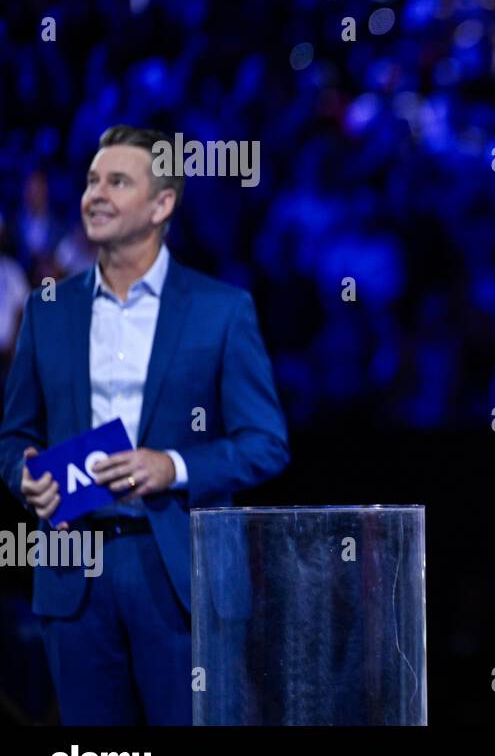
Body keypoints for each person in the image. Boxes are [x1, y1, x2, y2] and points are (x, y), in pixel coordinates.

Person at [0, 124, 290, 725]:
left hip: (177, 569)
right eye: (90, 181)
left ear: (162, 205)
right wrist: (22, 474)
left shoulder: (221, 309)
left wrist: (174, 465)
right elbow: (15, 436)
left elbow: (266, 443)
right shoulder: (47, 310)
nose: (94, 195)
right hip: (72, 568)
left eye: (117, 181)